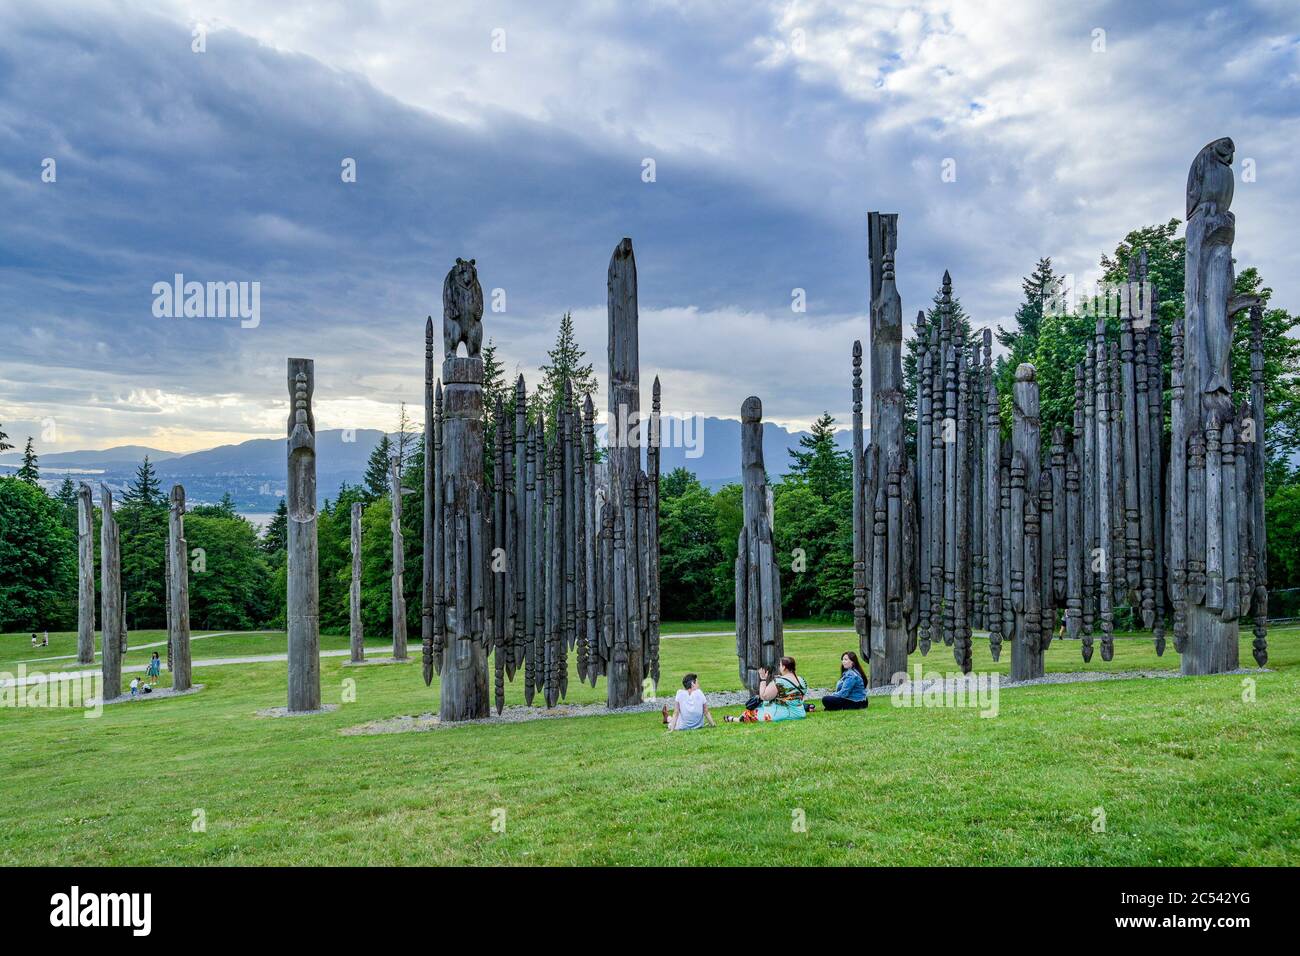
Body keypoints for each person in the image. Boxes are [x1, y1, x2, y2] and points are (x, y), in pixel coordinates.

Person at [725, 657, 808, 722]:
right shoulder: (801, 680)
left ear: (784, 667)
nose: (779, 667)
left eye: (780, 665)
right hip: (799, 713)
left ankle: (735, 719)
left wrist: (763, 679)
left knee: (750, 713)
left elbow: (764, 696)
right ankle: (734, 719)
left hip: (782, 714)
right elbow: (802, 696)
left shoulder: (779, 681)